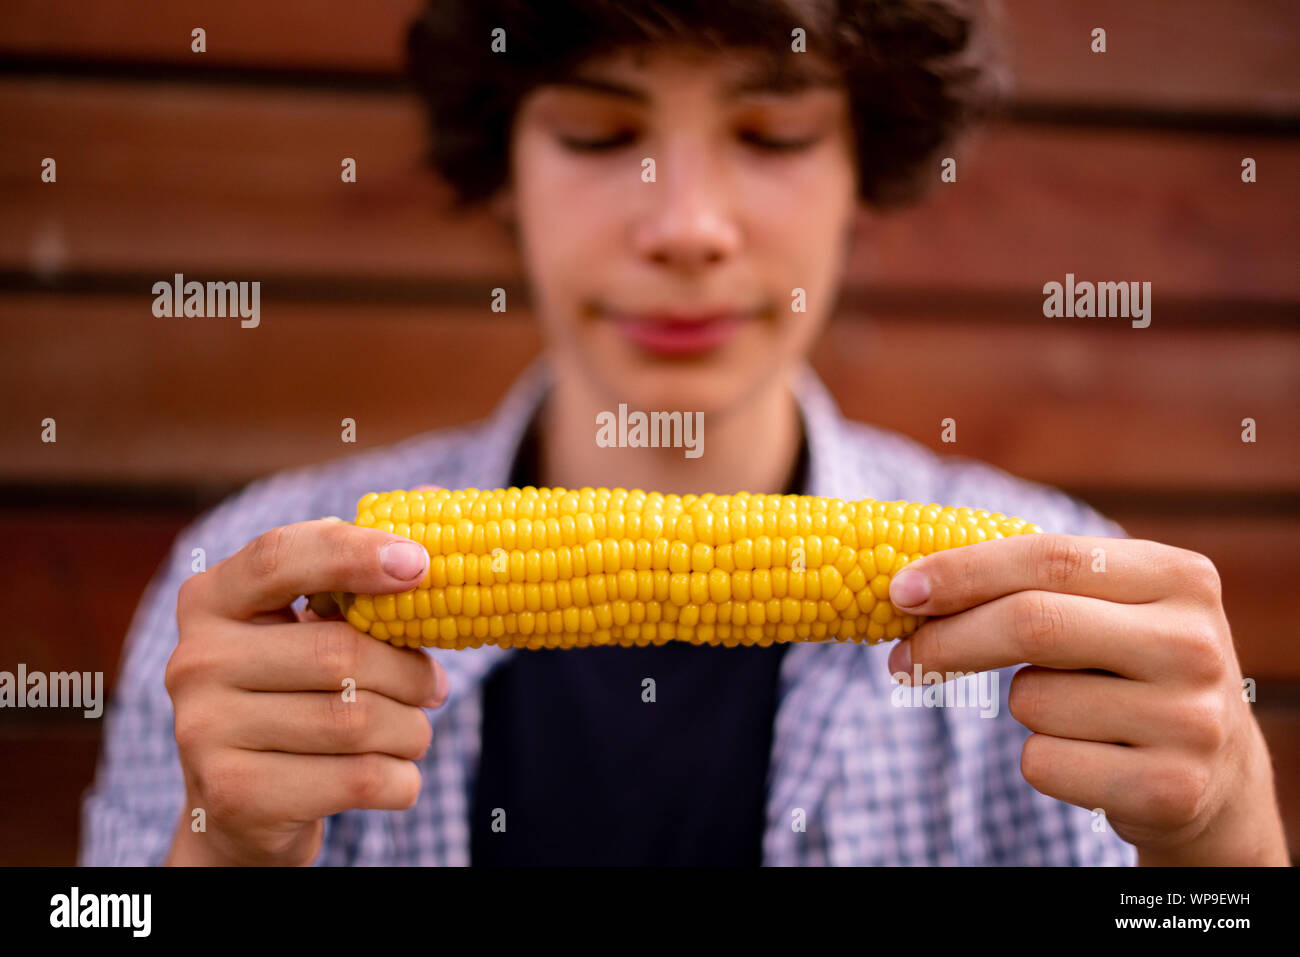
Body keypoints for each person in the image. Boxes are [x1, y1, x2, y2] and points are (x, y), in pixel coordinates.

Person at [81, 0, 1288, 866]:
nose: (688, 227)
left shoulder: (1060, 609)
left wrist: (1225, 844)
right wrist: (219, 857)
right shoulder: (252, 592)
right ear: (500, 167)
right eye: (601, 136)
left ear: (867, 167)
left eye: (771, 136)